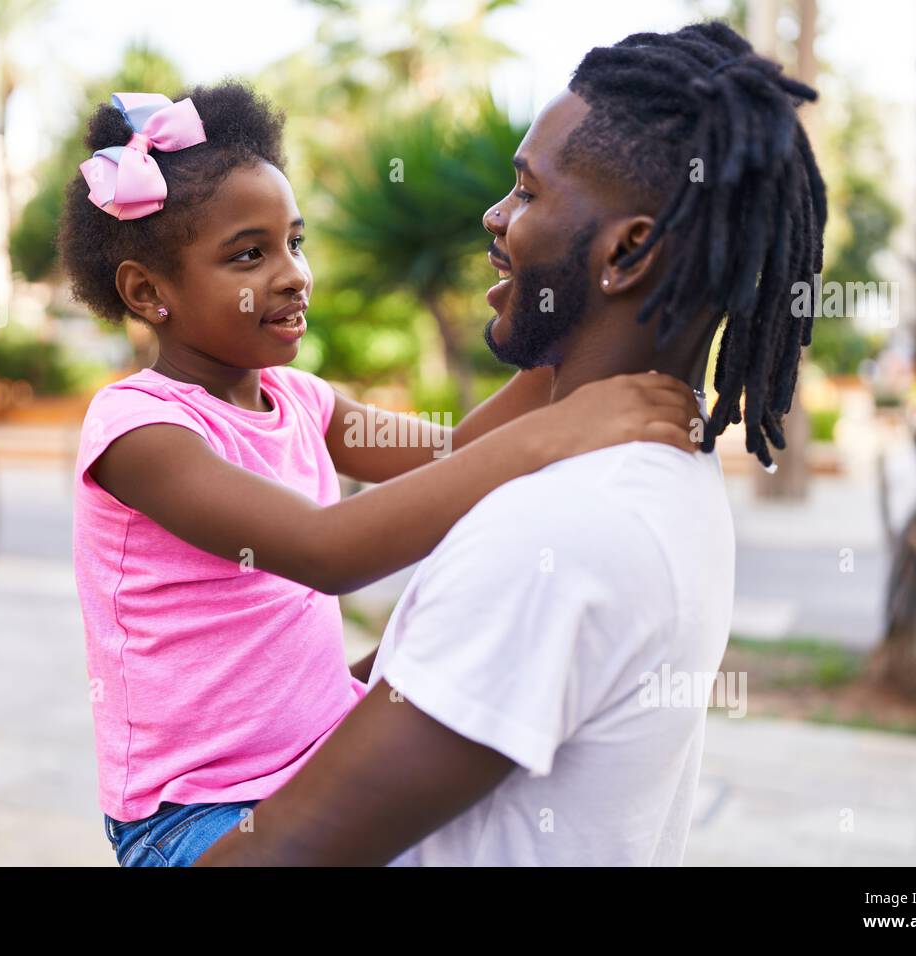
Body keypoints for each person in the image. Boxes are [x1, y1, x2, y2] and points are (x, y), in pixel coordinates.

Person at [197, 20, 828, 866]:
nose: (495, 216)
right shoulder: (658, 458)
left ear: (628, 250)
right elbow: (451, 467)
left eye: (527, 192)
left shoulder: (560, 534)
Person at [58, 82, 700, 866]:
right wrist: (560, 433)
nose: (293, 274)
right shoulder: (141, 432)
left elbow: (452, 449)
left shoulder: (301, 401)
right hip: (195, 815)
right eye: (248, 255)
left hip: (309, 760)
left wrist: (561, 342)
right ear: (147, 292)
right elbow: (327, 550)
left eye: (295, 242)